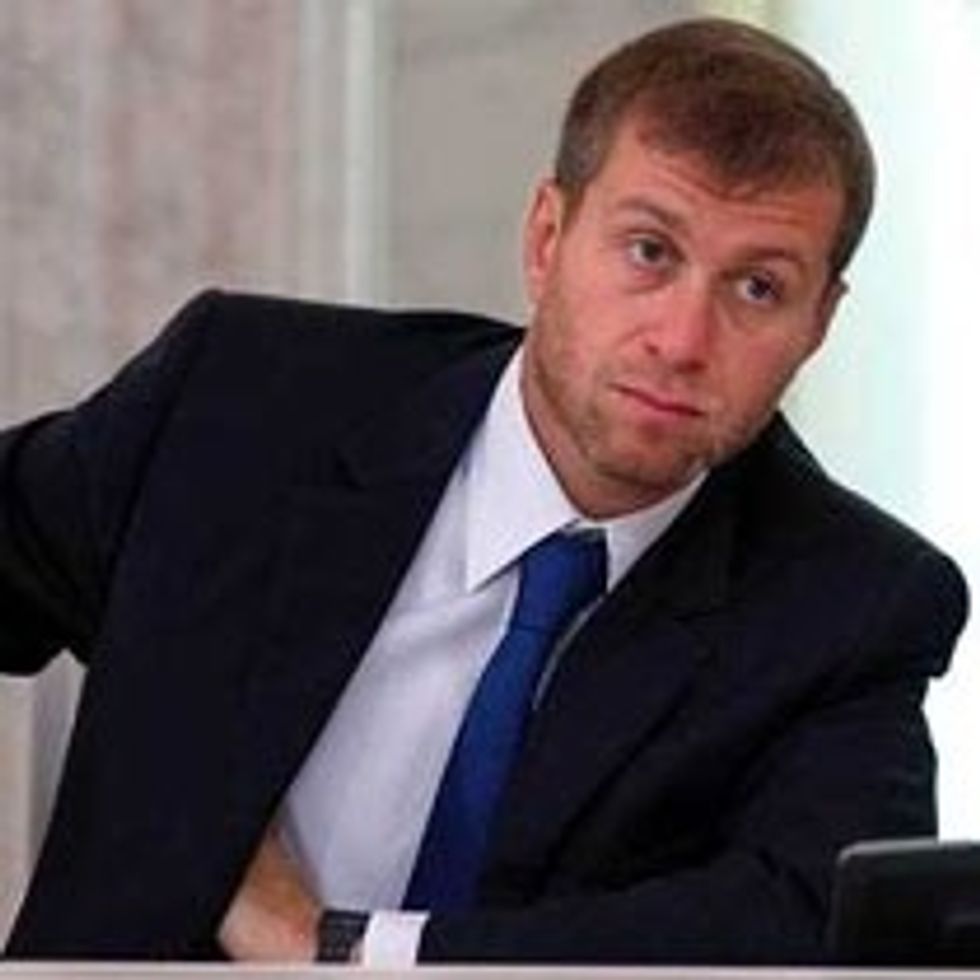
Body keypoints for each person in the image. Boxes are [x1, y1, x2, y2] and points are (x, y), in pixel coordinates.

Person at [0, 15, 968, 968]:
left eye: (757, 287)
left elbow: (811, 930)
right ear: (547, 238)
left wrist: (335, 948)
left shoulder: (851, 604)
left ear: (818, 323)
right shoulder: (243, 404)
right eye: (648, 251)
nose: (682, 340)